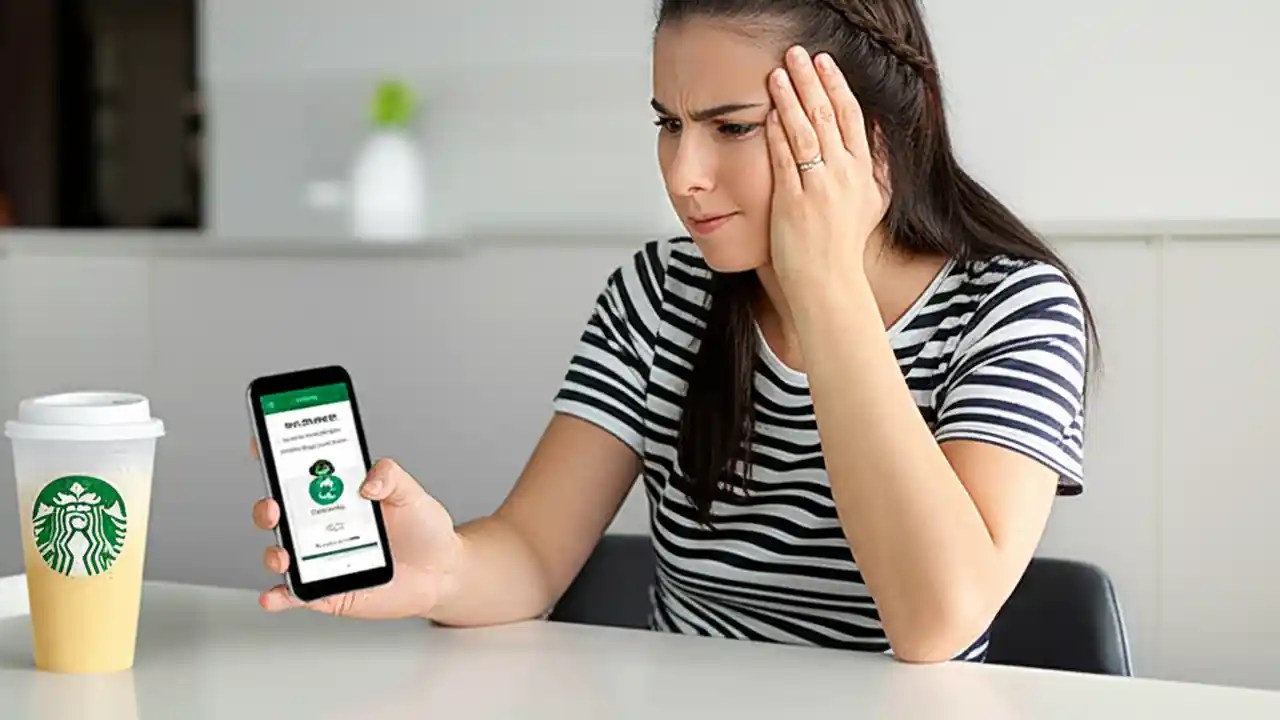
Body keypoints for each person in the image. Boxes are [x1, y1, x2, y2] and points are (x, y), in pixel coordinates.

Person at [251, 0, 1097, 664]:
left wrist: (824, 283)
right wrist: (443, 569)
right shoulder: (659, 292)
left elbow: (936, 622)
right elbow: (535, 550)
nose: (685, 176)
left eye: (732, 128)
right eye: (668, 123)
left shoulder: (1013, 308)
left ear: (864, 131)